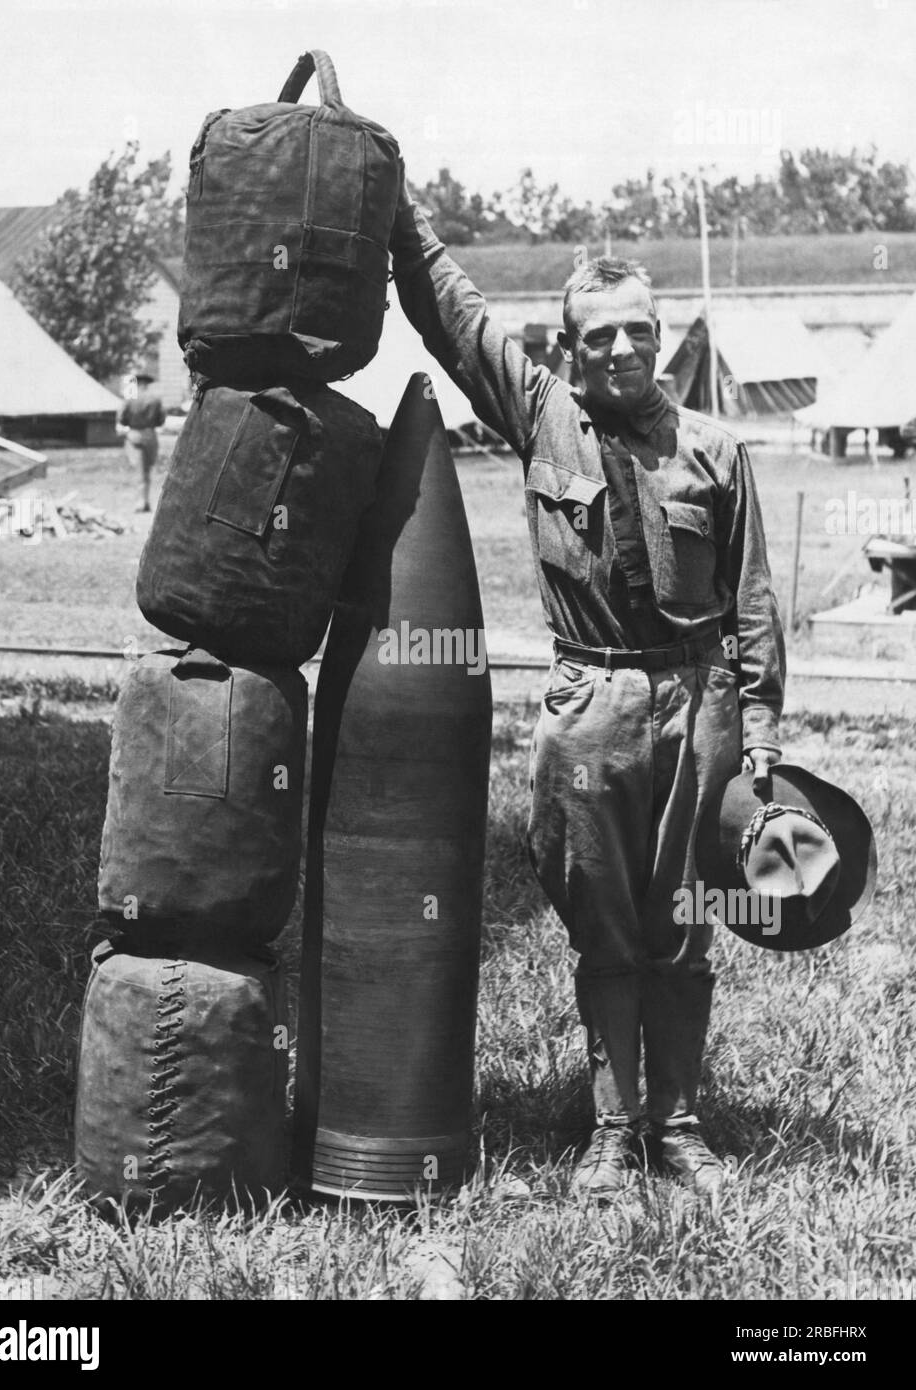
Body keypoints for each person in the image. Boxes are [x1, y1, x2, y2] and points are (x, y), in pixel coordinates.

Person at [389, 172, 786, 1202]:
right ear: (570, 348)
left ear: (659, 338)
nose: (618, 350)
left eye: (635, 332)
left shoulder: (713, 450)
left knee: (687, 922)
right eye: (597, 335)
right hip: (589, 710)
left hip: (694, 707)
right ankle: (612, 1132)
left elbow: (750, 604)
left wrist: (760, 731)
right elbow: (453, 319)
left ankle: (681, 1125)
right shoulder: (539, 417)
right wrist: (400, 212)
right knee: (604, 928)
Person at [117, 365, 166, 512]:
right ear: (147, 384)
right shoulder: (156, 400)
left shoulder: (129, 399)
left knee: (139, 471)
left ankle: (141, 502)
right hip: (151, 436)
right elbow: (161, 420)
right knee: (147, 471)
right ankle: (145, 501)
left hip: (134, 436)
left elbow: (121, 418)